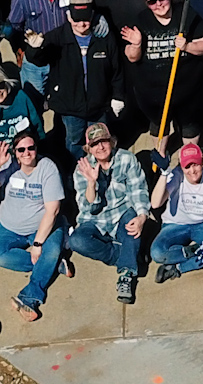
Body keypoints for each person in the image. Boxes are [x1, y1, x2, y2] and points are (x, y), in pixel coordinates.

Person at [121, 0, 203, 152]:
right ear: (147, 4)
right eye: (152, 2)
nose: (158, 4)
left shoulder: (186, 15)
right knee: (159, 127)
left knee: (189, 126)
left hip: (187, 90)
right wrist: (137, 44)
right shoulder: (140, 20)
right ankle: (160, 158)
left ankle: (189, 161)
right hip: (154, 94)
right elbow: (132, 58)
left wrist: (187, 46)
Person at [30, 0, 122, 159]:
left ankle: (99, 174)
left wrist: (117, 96)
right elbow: (39, 60)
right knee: (74, 142)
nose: (81, 24)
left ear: (92, 15)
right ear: (69, 17)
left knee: (100, 143)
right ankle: (77, 176)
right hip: (70, 108)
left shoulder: (104, 37)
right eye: (77, 20)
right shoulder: (57, 37)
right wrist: (35, 48)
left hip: (98, 106)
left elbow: (116, 69)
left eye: (85, 19)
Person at [66, 122, 148, 304]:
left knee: (133, 222)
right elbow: (88, 207)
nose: (100, 147)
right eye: (95, 144)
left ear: (111, 141)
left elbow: (138, 191)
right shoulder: (82, 169)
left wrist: (142, 217)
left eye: (104, 141)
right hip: (95, 218)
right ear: (89, 149)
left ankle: (126, 275)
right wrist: (92, 183)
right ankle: (126, 254)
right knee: (76, 241)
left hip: (122, 212)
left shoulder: (127, 159)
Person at [149, 142, 203, 283]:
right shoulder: (176, 175)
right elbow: (155, 203)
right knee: (157, 252)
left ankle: (178, 267)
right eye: (187, 166)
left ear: (202, 162)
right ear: (181, 166)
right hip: (175, 225)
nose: (192, 170)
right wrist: (164, 173)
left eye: (195, 164)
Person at [5, 0, 71, 105]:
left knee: (66, 102)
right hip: (36, 61)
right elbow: (14, 27)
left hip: (65, 57)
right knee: (33, 103)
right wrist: (19, 50)